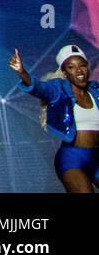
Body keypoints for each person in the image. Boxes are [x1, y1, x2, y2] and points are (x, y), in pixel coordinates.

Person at [11, 44, 99, 192]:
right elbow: (40, 88)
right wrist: (22, 72)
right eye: (71, 67)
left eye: (82, 65)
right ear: (64, 72)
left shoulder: (96, 90)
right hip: (73, 159)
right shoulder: (59, 90)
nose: (79, 71)